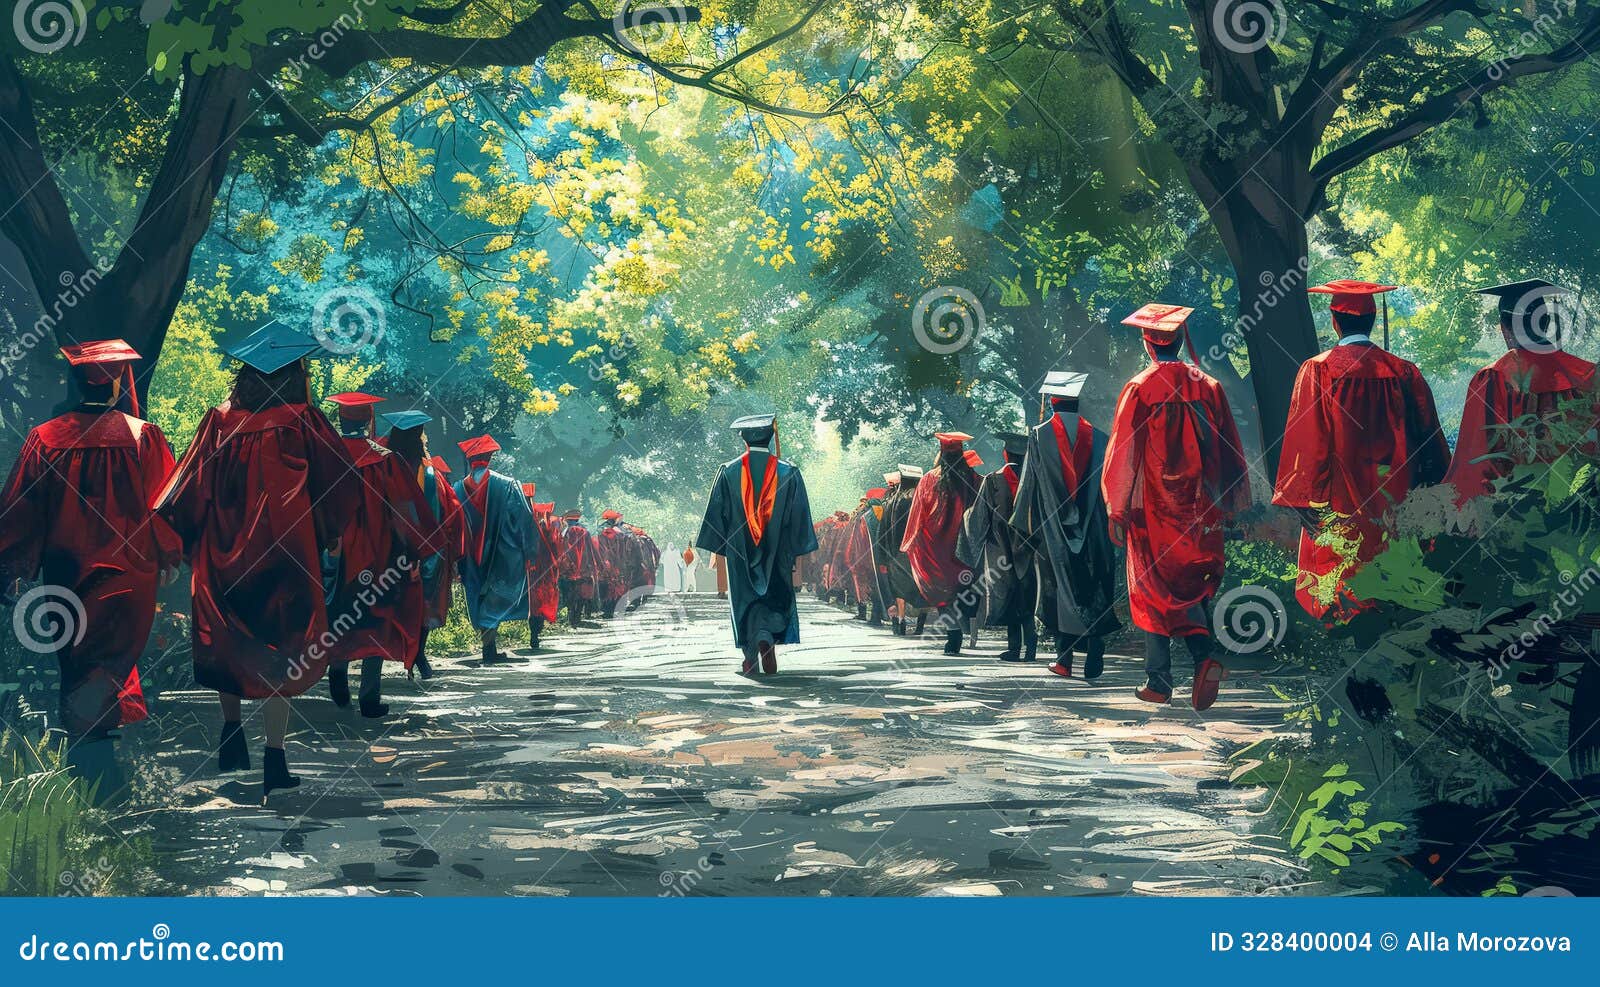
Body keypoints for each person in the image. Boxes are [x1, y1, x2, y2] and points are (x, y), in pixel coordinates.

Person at [156, 322, 360, 800]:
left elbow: (187, 487)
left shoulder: (219, 420)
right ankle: (275, 758)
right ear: (294, 371)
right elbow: (338, 482)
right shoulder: (302, 420)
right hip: (285, 557)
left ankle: (231, 737)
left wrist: (182, 543)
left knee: (228, 640)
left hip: (222, 556)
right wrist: (330, 534)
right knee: (282, 650)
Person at [0, 340, 181, 783]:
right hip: (130, 571)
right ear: (119, 380)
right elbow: (166, 503)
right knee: (114, 656)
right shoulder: (144, 436)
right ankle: (100, 766)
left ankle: (89, 765)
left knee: (78, 657)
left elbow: (21, 511)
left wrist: (14, 569)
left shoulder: (45, 439)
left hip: (67, 573)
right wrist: (170, 551)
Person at [1273, 281, 1450, 620]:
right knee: (1394, 576)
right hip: (1397, 502)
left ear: (1334, 320)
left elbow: (1308, 442)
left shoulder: (1318, 369)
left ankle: (1350, 650)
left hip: (1341, 506)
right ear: (1370, 321)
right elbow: (1429, 439)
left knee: (1344, 584)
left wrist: (1302, 500)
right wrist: (1434, 491)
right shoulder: (1404, 371)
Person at [1103, 304, 1250, 710]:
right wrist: (1231, 503)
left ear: (1148, 344)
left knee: (1152, 589)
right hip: (1199, 509)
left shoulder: (1138, 388)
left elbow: (1123, 454)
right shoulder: (1210, 387)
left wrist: (1118, 508)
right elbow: (1229, 450)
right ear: (1180, 341)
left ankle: (1159, 681)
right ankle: (1203, 660)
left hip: (1152, 510)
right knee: (1192, 585)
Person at [322, 394, 442, 718]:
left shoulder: (327, 456)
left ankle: (337, 670)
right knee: (375, 618)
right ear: (368, 422)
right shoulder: (385, 459)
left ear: (341, 421)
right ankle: (369, 697)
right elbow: (403, 512)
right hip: (379, 556)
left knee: (339, 613)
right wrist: (412, 551)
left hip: (337, 553)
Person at [1012, 373, 1123, 677]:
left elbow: (1029, 485)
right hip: (1095, 526)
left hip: (1054, 528)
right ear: (1077, 402)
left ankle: (1064, 659)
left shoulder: (1037, 435)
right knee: (1094, 584)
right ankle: (1095, 650)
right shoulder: (1101, 437)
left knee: (1061, 587)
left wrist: (1022, 526)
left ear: (1052, 402)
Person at [1447, 279, 1598, 502]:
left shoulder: (1493, 377)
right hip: (1578, 505)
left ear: (1504, 327)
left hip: (1515, 507)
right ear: (1546, 323)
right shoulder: (1589, 374)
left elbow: (1476, 459)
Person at [693, 413, 817, 675]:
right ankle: (768, 643)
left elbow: (718, 518)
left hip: (740, 550)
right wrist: (793, 552)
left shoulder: (728, 472)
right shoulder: (789, 472)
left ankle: (750, 655)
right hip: (777, 550)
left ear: (744, 440)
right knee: (774, 597)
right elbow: (799, 519)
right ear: (771, 438)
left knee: (745, 599)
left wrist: (724, 547)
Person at [382, 410, 462, 681]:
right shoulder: (432, 474)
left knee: (397, 603)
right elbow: (452, 511)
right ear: (419, 437)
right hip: (429, 552)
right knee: (425, 605)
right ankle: (420, 655)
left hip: (392, 549)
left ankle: (407, 653)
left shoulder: (384, 465)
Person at [451, 435, 536, 663]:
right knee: (495, 597)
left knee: (477, 597)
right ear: (489, 458)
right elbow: (524, 518)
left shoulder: (456, 488)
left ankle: (488, 648)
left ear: (469, 460)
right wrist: (530, 551)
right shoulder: (507, 485)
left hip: (468, 555)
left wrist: (452, 558)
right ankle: (489, 650)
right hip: (502, 554)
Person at [958, 431, 1036, 662]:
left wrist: (965, 520)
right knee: (1028, 596)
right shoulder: (1036, 480)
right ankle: (1030, 648)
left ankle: (1014, 649)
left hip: (1000, 548)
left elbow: (978, 518)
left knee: (1010, 597)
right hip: (1031, 549)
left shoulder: (993, 480)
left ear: (1004, 453)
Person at [901, 432, 982, 655]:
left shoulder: (929, 479)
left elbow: (918, 514)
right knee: (963, 586)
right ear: (962, 453)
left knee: (942, 592)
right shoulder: (975, 479)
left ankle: (953, 634)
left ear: (941, 454)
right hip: (965, 545)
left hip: (937, 548)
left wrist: (912, 541)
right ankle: (969, 627)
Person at [880, 464, 929, 636]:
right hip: (920, 553)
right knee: (922, 588)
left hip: (897, 553)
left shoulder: (892, 502)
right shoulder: (924, 499)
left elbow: (883, 531)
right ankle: (920, 625)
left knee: (900, 589)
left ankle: (900, 621)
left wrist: (883, 556)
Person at [524, 489, 561, 650]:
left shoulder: (525, 525)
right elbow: (556, 550)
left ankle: (533, 633)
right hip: (544, 574)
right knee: (540, 603)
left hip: (528, 573)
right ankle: (535, 634)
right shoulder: (548, 530)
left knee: (532, 604)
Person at [558, 509, 600, 625]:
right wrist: (597, 564)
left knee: (568, 593)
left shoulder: (564, 532)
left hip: (568, 569)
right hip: (583, 569)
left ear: (567, 520)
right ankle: (577, 616)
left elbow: (561, 550)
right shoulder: (585, 532)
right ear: (577, 520)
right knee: (582, 594)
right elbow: (591, 550)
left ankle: (571, 616)